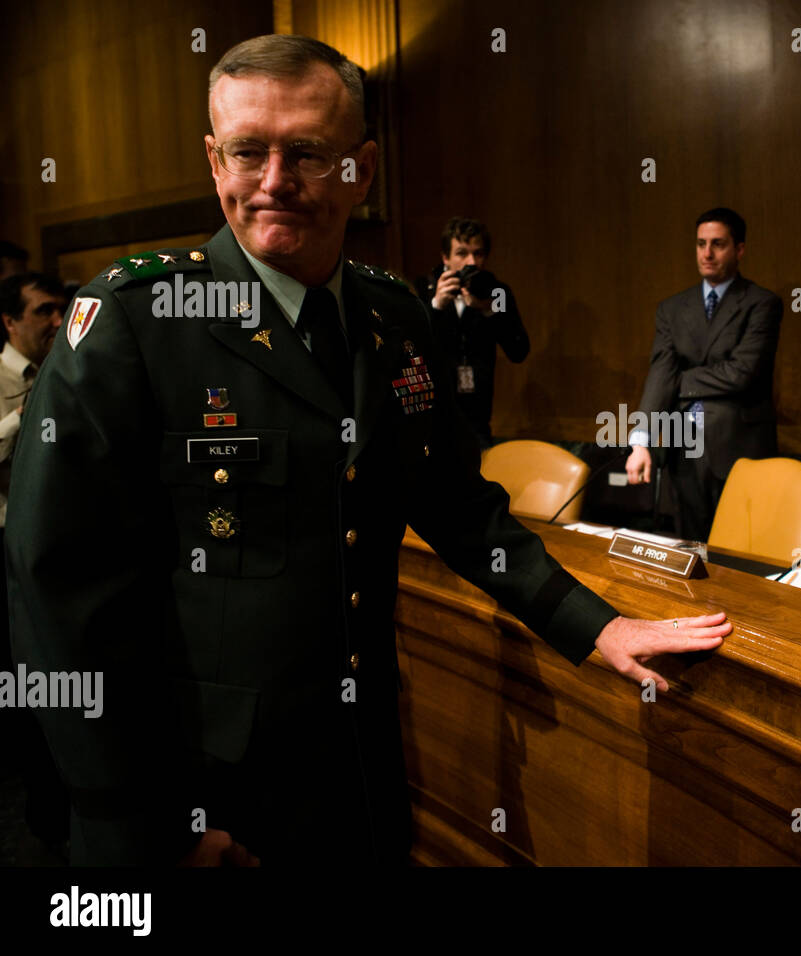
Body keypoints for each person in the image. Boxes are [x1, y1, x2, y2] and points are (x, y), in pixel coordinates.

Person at [5, 34, 730, 868]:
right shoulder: (132, 320)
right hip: (198, 801)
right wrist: (151, 825)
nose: (274, 181)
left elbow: (458, 507)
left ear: (361, 169)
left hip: (353, 767)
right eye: (247, 152)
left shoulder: (392, 316)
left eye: (308, 153)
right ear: (215, 161)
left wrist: (595, 625)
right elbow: (61, 598)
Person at [625, 208, 782, 540]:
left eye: (718, 244)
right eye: (700, 244)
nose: (707, 253)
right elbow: (659, 372)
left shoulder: (762, 303)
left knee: (740, 555)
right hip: (684, 450)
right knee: (690, 552)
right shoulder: (671, 309)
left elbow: (742, 374)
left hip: (738, 450)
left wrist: (680, 380)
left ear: (739, 249)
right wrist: (641, 442)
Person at [0, 272, 70, 857]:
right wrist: (33, 410)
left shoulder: (72, 363)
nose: (57, 321)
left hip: (63, 555)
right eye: (44, 311)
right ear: (8, 321)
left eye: (61, 309)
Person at [417, 217, 529, 448]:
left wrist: (488, 310)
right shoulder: (424, 289)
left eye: (478, 254)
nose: (471, 262)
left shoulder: (496, 293)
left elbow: (518, 350)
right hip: (432, 417)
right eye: (462, 253)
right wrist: (436, 305)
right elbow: (411, 347)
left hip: (477, 419)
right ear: (445, 257)